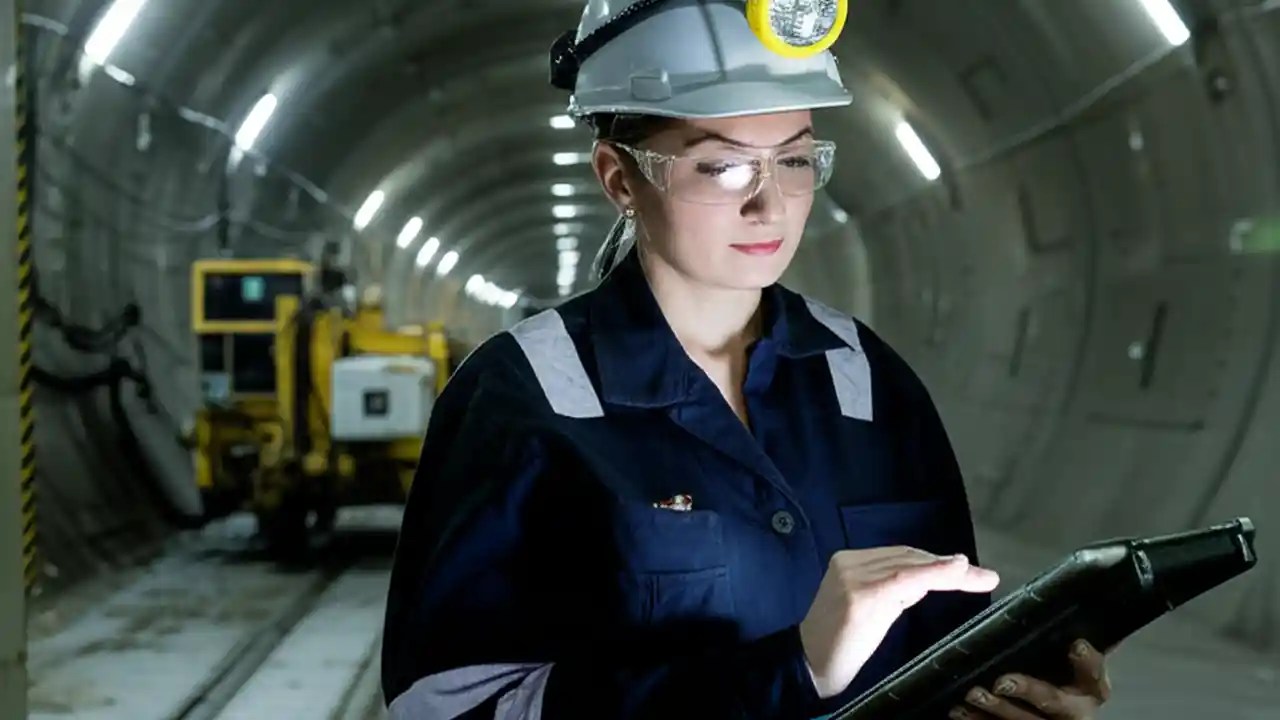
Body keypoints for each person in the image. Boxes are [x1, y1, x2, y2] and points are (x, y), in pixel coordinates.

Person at [381, 1, 1114, 718]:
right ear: (618, 177)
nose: (770, 205)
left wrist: (1008, 689)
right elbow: (450, 704)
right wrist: (793, 670)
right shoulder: (524, 398)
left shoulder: (864, 381)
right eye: (721, 167)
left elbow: (942, 648)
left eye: (794, 158)